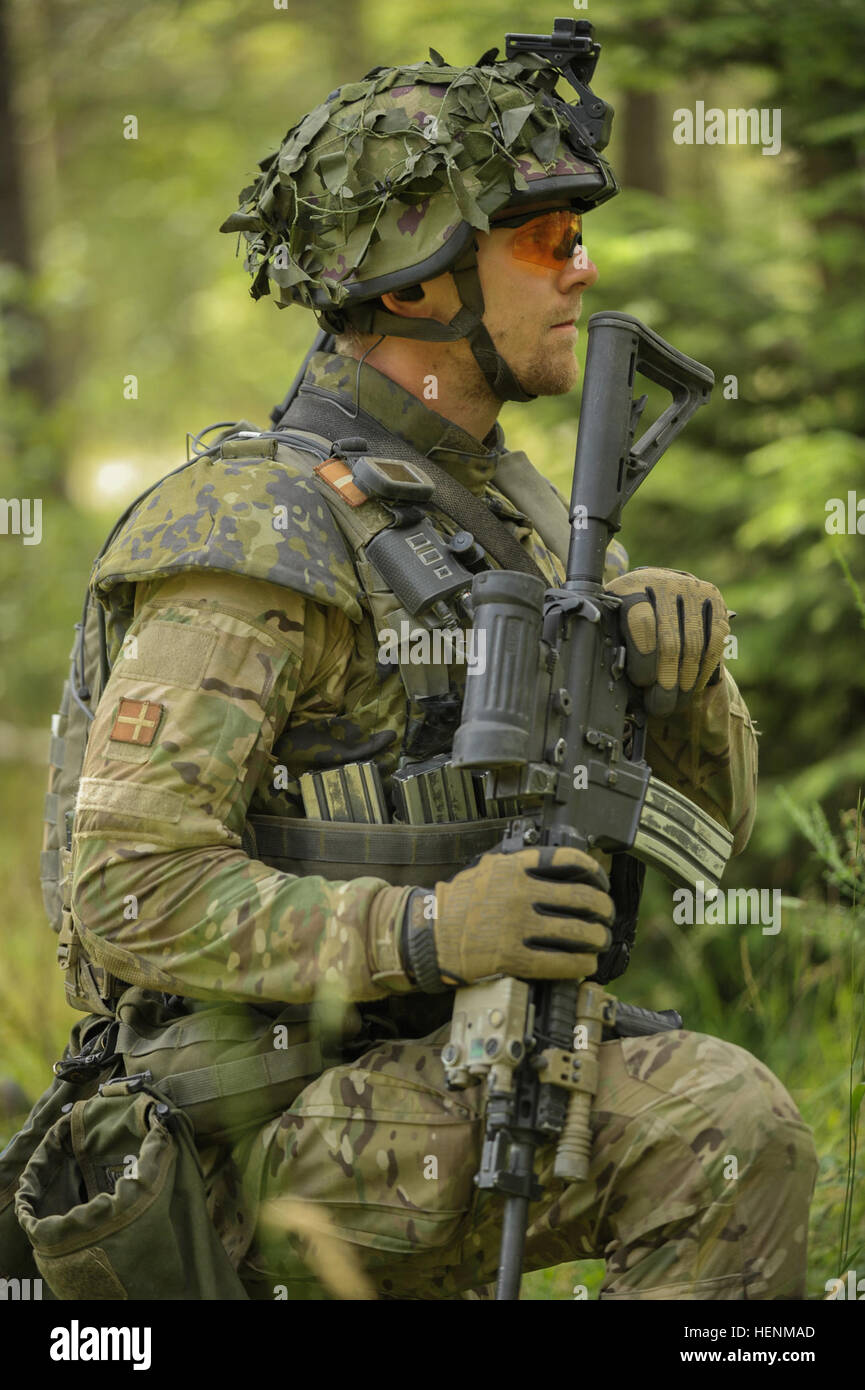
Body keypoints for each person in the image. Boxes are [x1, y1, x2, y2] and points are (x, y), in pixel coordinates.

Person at [55, 39, 816, 1298]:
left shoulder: (499, 514)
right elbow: (127, 888)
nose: (583, 268)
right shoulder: (258, 528)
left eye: (578, 235)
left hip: (436, 1063)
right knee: (718, 1130)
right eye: (543, 237)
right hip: (241, 1120)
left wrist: (680, 687)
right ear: (414, 285)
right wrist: (425, 928)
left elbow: (699, 844)